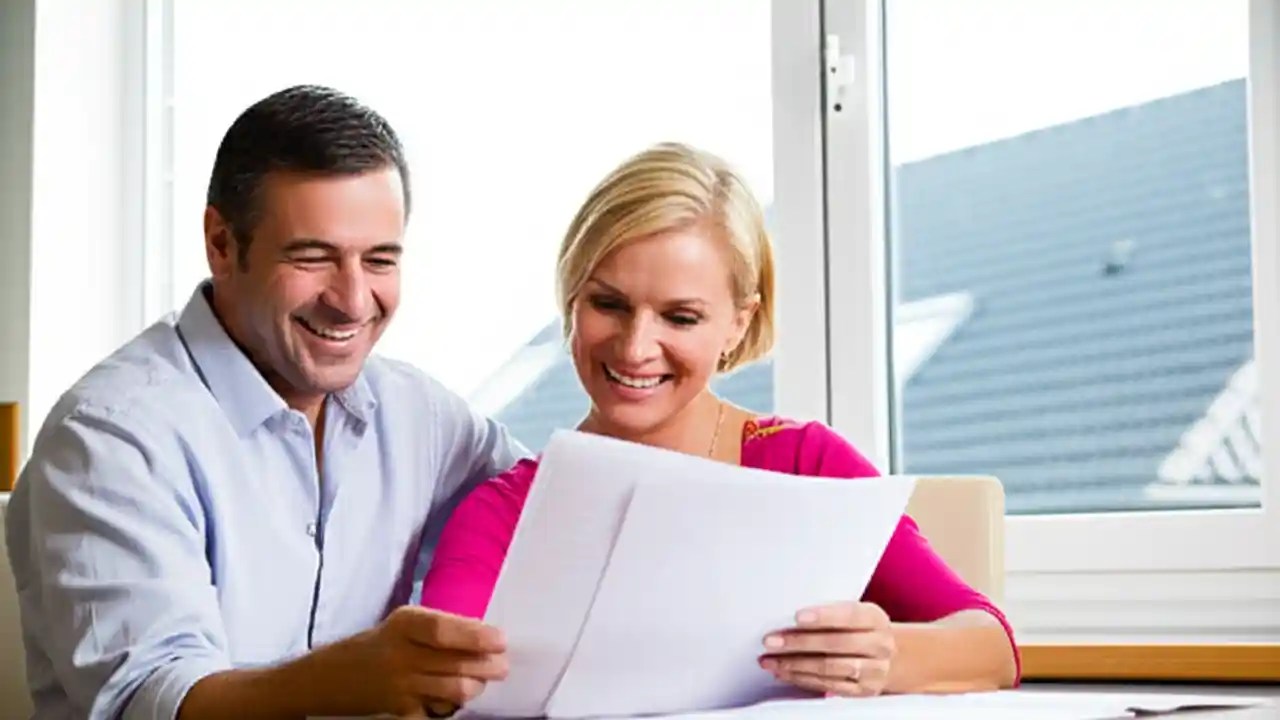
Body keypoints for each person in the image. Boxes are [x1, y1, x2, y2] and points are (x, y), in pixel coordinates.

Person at [420, 142, 1020, 698]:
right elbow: (442, 686)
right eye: (608, 304)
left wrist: (885, 655)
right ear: (570, 300)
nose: (635, 348)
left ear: (737, 322)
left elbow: (992, 646)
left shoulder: (806, 465)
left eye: (680, 318)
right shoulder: (503, 511)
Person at [5, 85, 524, 719]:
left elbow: (549, 505)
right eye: (313, 258)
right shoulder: (109, 437)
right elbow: (152, 700)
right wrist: (351, 677)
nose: (354, 300)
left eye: (380, 260)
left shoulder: (421, 415)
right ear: (221, 243)